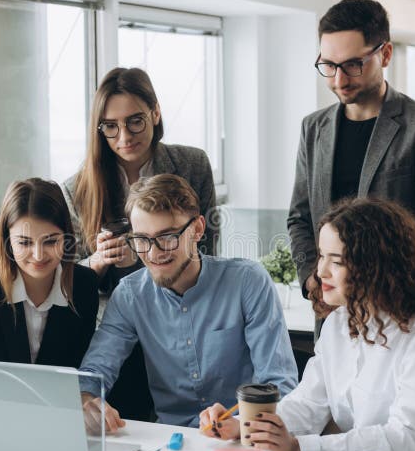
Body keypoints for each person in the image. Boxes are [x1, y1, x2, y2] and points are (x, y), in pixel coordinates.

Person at [201, 198, 415, 451]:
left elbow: (411, 438)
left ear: (376, 267)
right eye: (321, 256)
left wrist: (301, 450)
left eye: (337, 261)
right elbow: (309, 405)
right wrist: (246, 425)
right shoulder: (338, 324)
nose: (321, 272)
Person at [79, 174, 298, 430]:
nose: (153, 253)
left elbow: (280, 385)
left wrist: (240, 423)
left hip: (245, 438)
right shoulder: (129, 295)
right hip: (172, 441)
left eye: (168, 236)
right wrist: (86, 399)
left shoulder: (248, 281)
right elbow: (96, 369)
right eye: (141, 239)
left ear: (197, 229)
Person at [287, 0, 415, 298]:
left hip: (400, 306)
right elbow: (300, 218)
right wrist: (311, 279)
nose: (339, 80)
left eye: (353, 65)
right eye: (329, 65)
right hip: (332, 312)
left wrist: (371, 283)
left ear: (385, 54)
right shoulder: (313, 128)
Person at [63, 67, 218, 293]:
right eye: (111, 126)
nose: (124, 137)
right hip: (114, 316)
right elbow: (65, 278)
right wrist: (97, 261)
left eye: (135, 121)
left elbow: (207, 252)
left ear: (155, 113)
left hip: (184, 307)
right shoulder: (75, 190)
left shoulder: (193, 165)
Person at [0, 178, 98, 368]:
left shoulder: (84, 285)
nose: (38, 255)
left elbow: (81, 369)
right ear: (7, 241)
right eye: (25, 243)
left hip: (58, 397)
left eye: (50, 241)